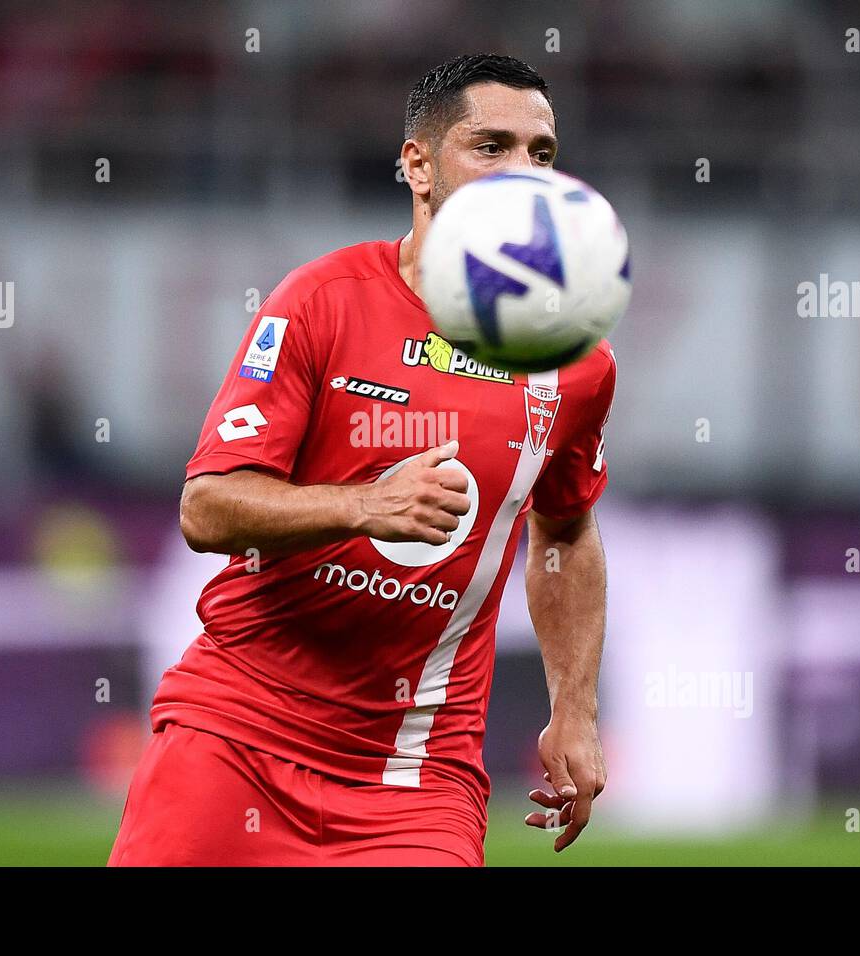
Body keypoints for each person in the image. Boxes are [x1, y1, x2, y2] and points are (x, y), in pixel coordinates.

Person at [109, 53, 615, 866]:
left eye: (543, 153)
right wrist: (361, 505)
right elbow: (208, 508)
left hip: (415, 775)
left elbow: (565, 529)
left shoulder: (574, 362)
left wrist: (576, 708)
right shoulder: (322, 301)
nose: (526, 174)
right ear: (416, 164)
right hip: (236, 735)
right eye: (492, 147)